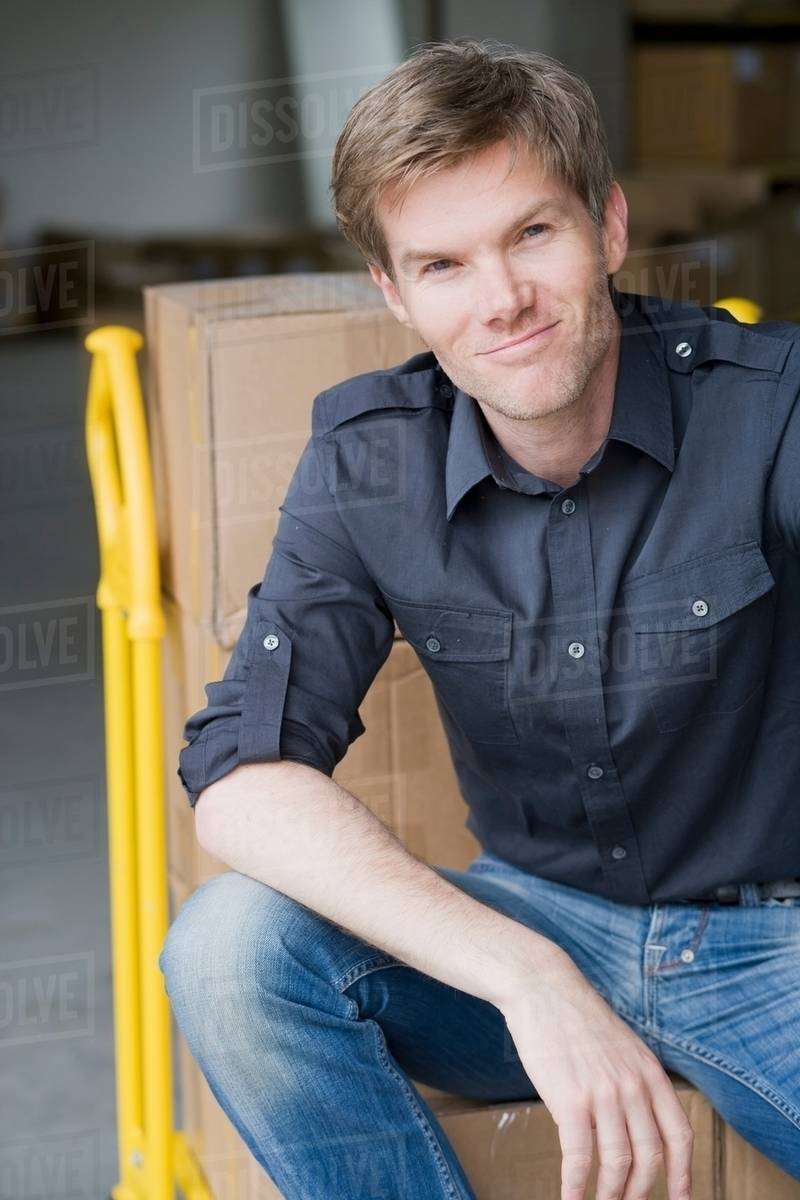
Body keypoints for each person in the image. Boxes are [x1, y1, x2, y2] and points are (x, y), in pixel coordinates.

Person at [158, 37, 800, 1199]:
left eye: (531, 235)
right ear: (395, 294)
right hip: (533, 918)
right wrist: (525, 972)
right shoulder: (367, 463)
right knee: (225, 951)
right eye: (443, 264)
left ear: (605, 227)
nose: (499, 299)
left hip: (777, 945)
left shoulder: (770, 407)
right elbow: (240, 776)